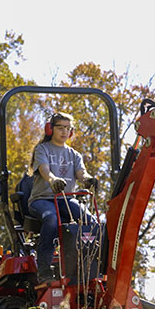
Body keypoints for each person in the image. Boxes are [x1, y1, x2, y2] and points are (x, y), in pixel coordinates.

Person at [28, 112, 98, 284]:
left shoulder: (74, 154)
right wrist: (53, 180)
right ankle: (44, 269)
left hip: (66, 200)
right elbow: (44, 170)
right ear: (51, 129)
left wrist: (88, 180)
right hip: (42, 200)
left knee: (91, 221)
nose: (64, 132)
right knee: (51, 219)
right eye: (60, 128)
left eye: (68, 128)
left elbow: (81, 173)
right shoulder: (42, 149)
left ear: (71, 132)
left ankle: (84, 267)